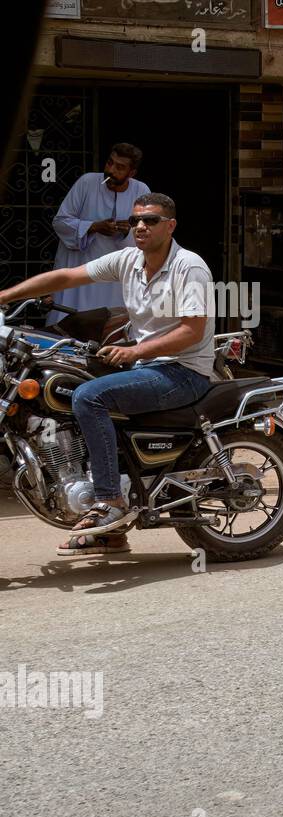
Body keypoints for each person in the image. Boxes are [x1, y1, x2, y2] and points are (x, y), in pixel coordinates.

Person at [0, 192, 215, 556]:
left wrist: (134, 351)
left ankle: (110, 501)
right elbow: (68, 276)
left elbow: (192, 331)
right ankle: (111, 530)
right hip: (146, 366)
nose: (141, 227)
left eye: (150, 220)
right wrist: (4, 296)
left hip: (182, 371)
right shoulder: (129, 260)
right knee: (70, 385)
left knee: (90, 396)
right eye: (135, 221)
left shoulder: (188, 266)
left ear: (170, 225)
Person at [51, 143, 151, 314]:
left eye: (119, 167)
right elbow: (60, 222)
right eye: (110, 163)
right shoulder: (87, 182)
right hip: (81, 270)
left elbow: (149, 233)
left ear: (131, 173)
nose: (111, 170)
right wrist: (93, 227)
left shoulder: (141, 190)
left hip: (116, 279)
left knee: (111, 325)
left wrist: (128, 231)